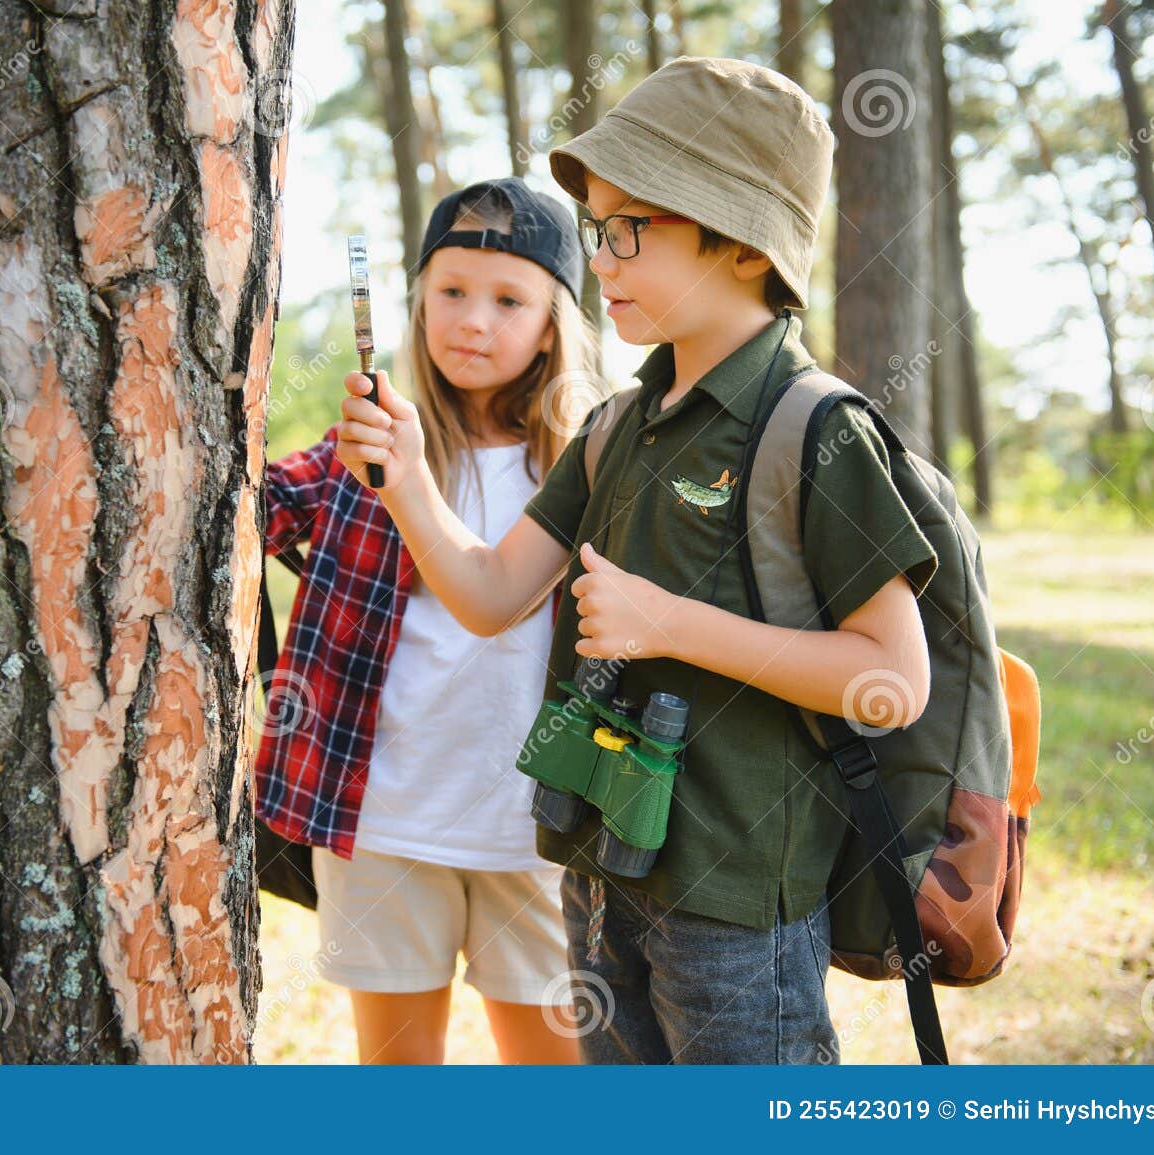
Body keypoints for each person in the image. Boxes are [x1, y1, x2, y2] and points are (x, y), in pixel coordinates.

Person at [334, 58, 939, 1064]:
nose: (600, 260)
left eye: (627, 231)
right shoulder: (618, 426)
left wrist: (670, 626)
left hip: (740, 907)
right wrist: (404, 479)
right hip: (598, 872)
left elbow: (891, 680)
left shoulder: (815, 429)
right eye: (595, 231)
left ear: (740, 242)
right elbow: (489, 594)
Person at [258, 178, 600, 1063]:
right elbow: (251, 504)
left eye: (507, 299)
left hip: (538, 829)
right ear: (414, 301)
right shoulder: (368, 446)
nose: (472, 321)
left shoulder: (588, 463)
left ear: (554, 321)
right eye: (450, 291)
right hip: (385, 819)